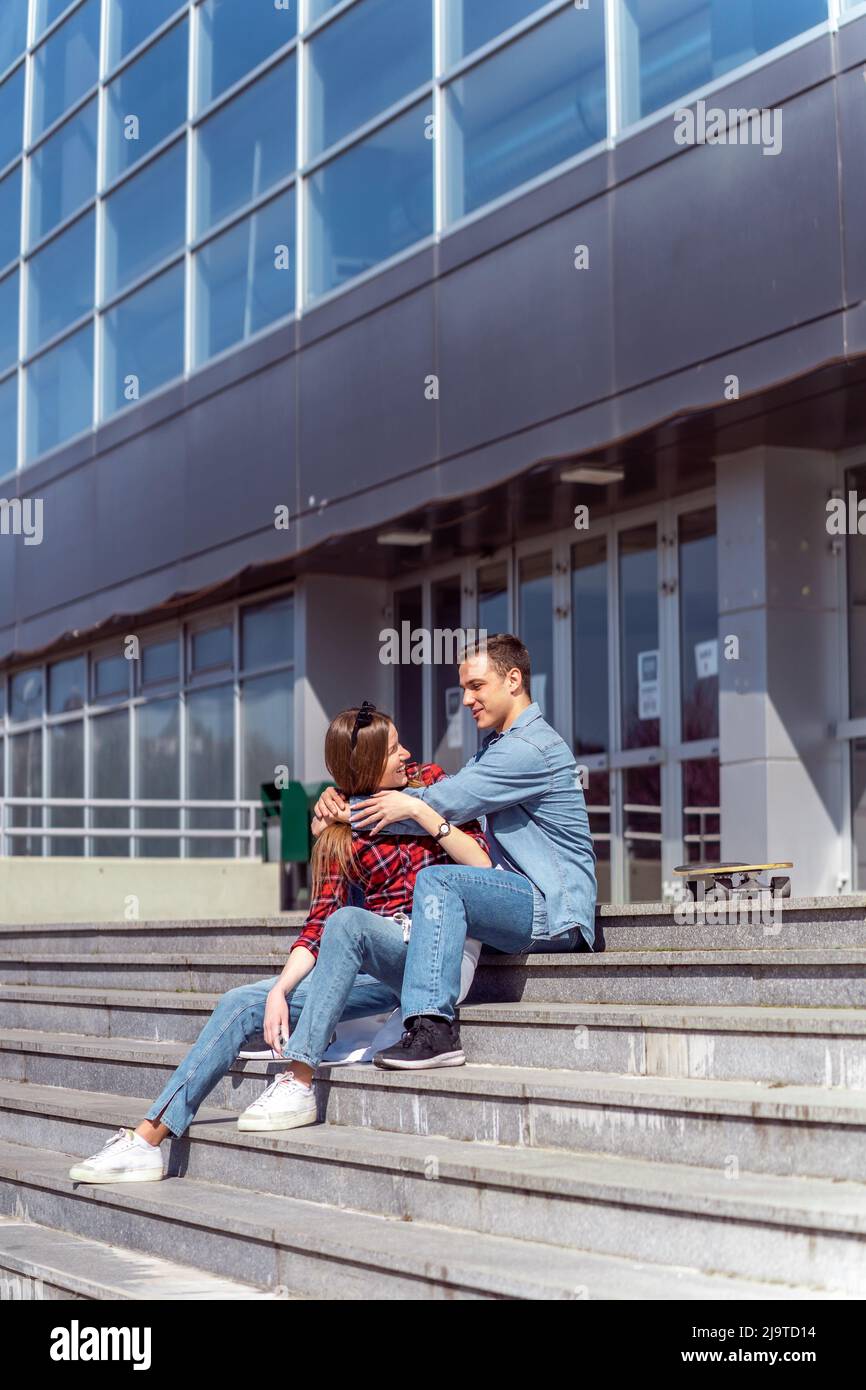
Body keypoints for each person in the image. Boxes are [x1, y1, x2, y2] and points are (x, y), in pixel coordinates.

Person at [66, 705, 490, 1182]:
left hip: (427, 953)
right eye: (394, 749)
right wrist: (279, 991)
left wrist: (418, 808)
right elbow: (318, 924)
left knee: (350, 923)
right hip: (371, 964)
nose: (407, 754)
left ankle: (299, 1077)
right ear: (366, 766)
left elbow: (480, 867)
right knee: (240, 1001)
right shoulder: (336, 830)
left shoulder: (429, 784)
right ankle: (148, 1138)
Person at [306, 633, 597, 1073]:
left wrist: (345, 810)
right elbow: (427, 794)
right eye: (463, 688)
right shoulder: (498, 746)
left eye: (476, 686)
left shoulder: (528, 749)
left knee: (440, 880)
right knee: (426, 891)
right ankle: (298, 1027)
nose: (466, 699)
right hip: (519, 902)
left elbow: (444, 800)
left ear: (513, 680)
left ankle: (433, 1029)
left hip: (556, 912)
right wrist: (343, 800)